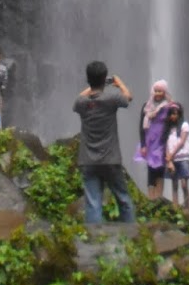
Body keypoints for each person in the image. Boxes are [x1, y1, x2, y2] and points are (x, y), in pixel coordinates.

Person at [74, 60, 137, 224]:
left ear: (88, 80)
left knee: (93, 203)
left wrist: (96, 85)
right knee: (123, 199)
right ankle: (133, 238)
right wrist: (118, 83)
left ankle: (95, 243)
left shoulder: (81, 103)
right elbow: (128, 97)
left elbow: (80, 97)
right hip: (110, 158)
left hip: (88, 160)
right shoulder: (112, 98)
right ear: (104, 80)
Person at [139, 78, 173, 199]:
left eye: (160, 91)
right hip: (150, 142)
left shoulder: (168, 107)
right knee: (150, 169)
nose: (158, 93)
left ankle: (159, 197)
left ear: (165, 92)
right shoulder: (146, 106)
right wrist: (143, 145)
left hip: (162, 141)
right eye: (156, 90)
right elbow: (141, 127)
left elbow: (170, 125)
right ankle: (151, 198)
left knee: (160, 169)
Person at [165, 101, 189, 208]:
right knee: (174, 184)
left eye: (175, 114)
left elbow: (182, 142)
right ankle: (175, 207)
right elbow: (165, 144)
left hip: (183, 158)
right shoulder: (168, 129)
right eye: (171, 114)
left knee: (184, 184)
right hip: (172, 160)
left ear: (179, 114)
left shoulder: (184, 125)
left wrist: (171, 155)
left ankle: (187, 208)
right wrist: (169, 160)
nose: (173, 116)